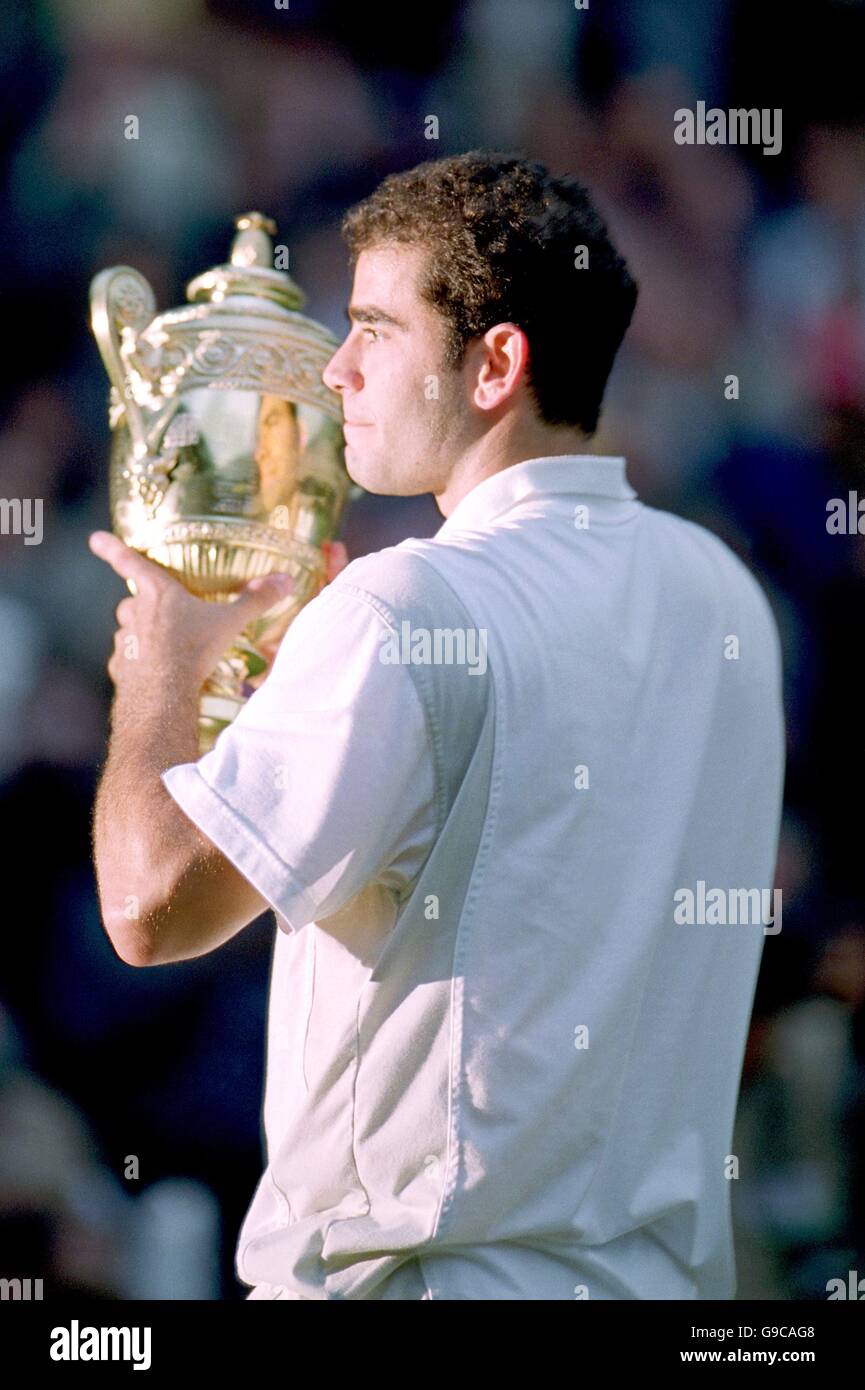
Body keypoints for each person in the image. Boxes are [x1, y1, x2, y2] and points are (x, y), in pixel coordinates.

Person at [90, 150, 785, 1300]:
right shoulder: (724, 597)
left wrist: (158, 680)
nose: (336, 369)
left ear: (494, 363)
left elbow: (148, 907)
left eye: (372, 328)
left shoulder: (402, 607)